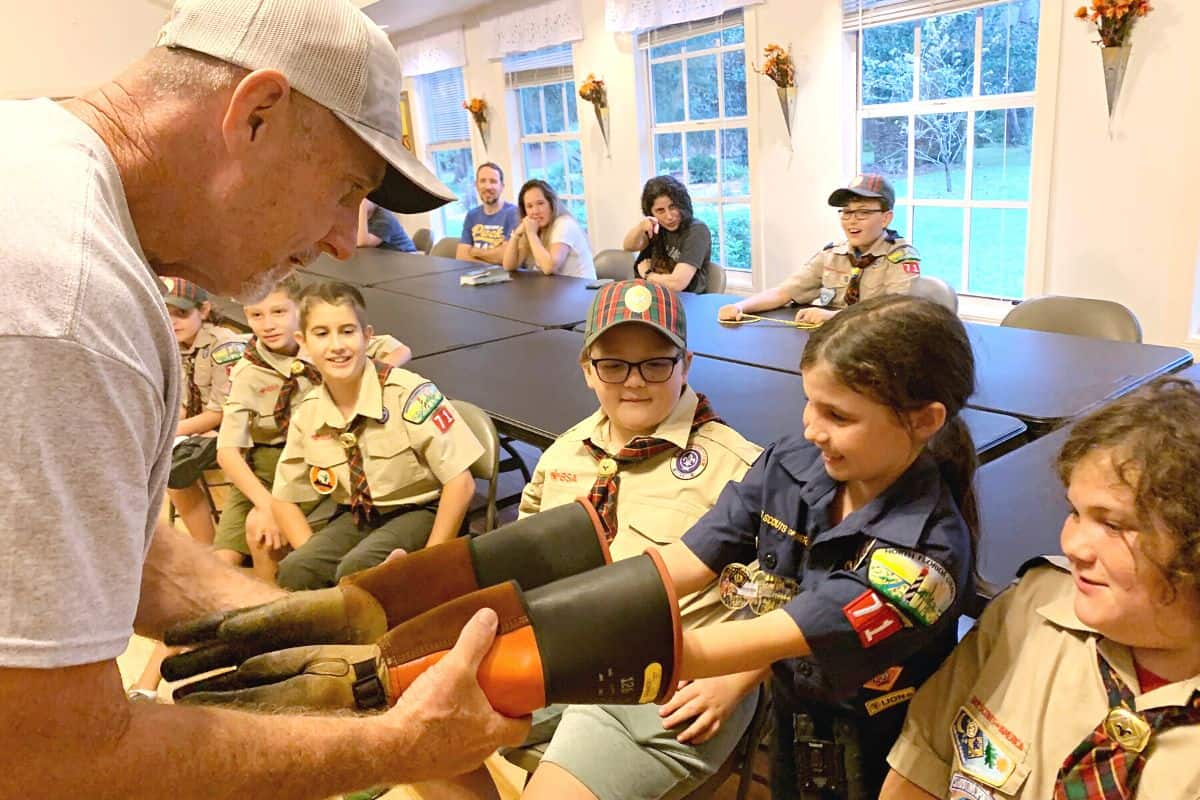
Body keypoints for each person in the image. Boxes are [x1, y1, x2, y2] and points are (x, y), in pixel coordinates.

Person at [0, 0, 528, 796]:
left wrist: (345, 635)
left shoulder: (32, 162)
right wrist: (397, 748)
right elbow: (52, 756)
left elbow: (113, 551)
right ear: (256, 115)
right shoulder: (66, 301)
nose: (346, 240)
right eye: (346, 187)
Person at [429, 280, 764, 800]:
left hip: (666, 687)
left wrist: (738, 679)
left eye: (656, 363)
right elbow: (521, 569)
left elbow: (789, 592)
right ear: (587, 369)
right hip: (561, 658)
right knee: (417, 719)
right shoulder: (565, 456)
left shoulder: (739, 470)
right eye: (613, 365)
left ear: (686, 364)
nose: (634, 382)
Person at [657, 293, 978, 798]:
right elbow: (685, 560)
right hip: (794, 720)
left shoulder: (923, 565)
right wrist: (581, 599)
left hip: (878, 753)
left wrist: (592, 651)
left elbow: (772, 636)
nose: (811, 428)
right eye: (808, 401)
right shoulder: (792, 462)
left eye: (837, 415)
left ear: (923, 421)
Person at [882, 377, 1200, 800]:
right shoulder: (1033, 605)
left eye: (1112, 524)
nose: (1072, 546)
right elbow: (921, 765)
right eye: (1075, 513)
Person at [267, 282, 481, 590]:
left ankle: (377, 637)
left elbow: (461, 483)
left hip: (420, 510)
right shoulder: (310, 412)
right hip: (358, 515)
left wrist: (432, 560)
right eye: (322, 334)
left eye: (347, 331)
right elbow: (283, 500)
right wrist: (312, 555)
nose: (336, 345)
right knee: (297, 570)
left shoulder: (407, 394)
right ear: (303, 342)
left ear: (367, 337)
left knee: (356, 571)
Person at [214, 275, 410, 581]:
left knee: (261, 530)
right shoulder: (246, 372)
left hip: (318, 460)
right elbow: (228, 453)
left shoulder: (325, 344)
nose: (268, 324)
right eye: (256, 315)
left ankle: (299, 587)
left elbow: (397, 349)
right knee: (223, 563)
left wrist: (368, 384)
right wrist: (269, 505)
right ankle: (276, 606)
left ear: (299, 310)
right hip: (262, 473)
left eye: (279, 312)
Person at [719, 174, 920, 325]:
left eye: (863, 213)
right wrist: (740, 306)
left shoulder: (900, 258)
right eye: (847, 213)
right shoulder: (833, 254)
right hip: (833, 343)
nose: (852, 221)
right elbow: (783, 293)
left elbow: (894, 313)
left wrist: (833, 317)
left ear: (886, 218)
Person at [163, 276, 247, 545]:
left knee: (174, 468)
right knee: (159, 459)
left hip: (235, 431)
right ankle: (204, 547)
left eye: (182, 313)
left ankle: (207, 547)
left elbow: (222, 412)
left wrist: (169, 431)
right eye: (167, 313)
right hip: (204, 427)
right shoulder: (177, 343)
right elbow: (186, 403)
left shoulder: (223, 347)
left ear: (204, 310)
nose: (173, 321)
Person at [623, 175, 712, 294]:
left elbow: (677, 284)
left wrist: (647, 274)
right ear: (651, 213)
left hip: (683, 299)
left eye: (673, 207)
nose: (669, 217)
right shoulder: (655, 226)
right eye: (660, 210)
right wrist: (640, 227)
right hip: (651, 294)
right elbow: (628, 246)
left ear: (682, 205)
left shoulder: (697, 230)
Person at [502, 179, 596, 279]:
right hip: (555, 289)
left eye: (540, 203)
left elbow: (549, 268)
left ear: (551, 204)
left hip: (583, 290)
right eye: (529, 206)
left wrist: (531, 234)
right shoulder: (536, 228)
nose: (535, 211)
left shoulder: (564, 224)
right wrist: (516, 234)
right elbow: (509, 266)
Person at [456, 162, 520, 264]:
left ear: (502, 186)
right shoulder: (471, 216)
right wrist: (492, 259)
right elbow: (461, 256)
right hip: (474, 277)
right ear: (476, 186)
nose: (488, 187)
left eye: (493, 181)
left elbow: (506, 256)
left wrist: (476, 252)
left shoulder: (514, 213)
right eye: (483, 181)